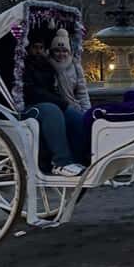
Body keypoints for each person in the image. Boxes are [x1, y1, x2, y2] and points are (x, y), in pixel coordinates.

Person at [22, 36, 87, 175]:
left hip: (49, 102)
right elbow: (30, 91)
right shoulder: (22, 66)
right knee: (52, 111)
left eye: (41, 48)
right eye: (35, 48)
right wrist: (59, 102)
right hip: (28, 106)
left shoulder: (47, 66)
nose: (38, 51)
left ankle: (80, 159)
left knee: (75, 116)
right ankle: (61, 162)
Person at [49, 28, 91, 163]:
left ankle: (82, 158)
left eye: (64, 51)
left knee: (83, 123)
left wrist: (86, 111)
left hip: (73, 105)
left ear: (69, 51)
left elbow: (82, 92)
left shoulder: (75, 67)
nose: (61, 54)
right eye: (57, 50)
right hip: (57, 106)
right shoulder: (48, 65)